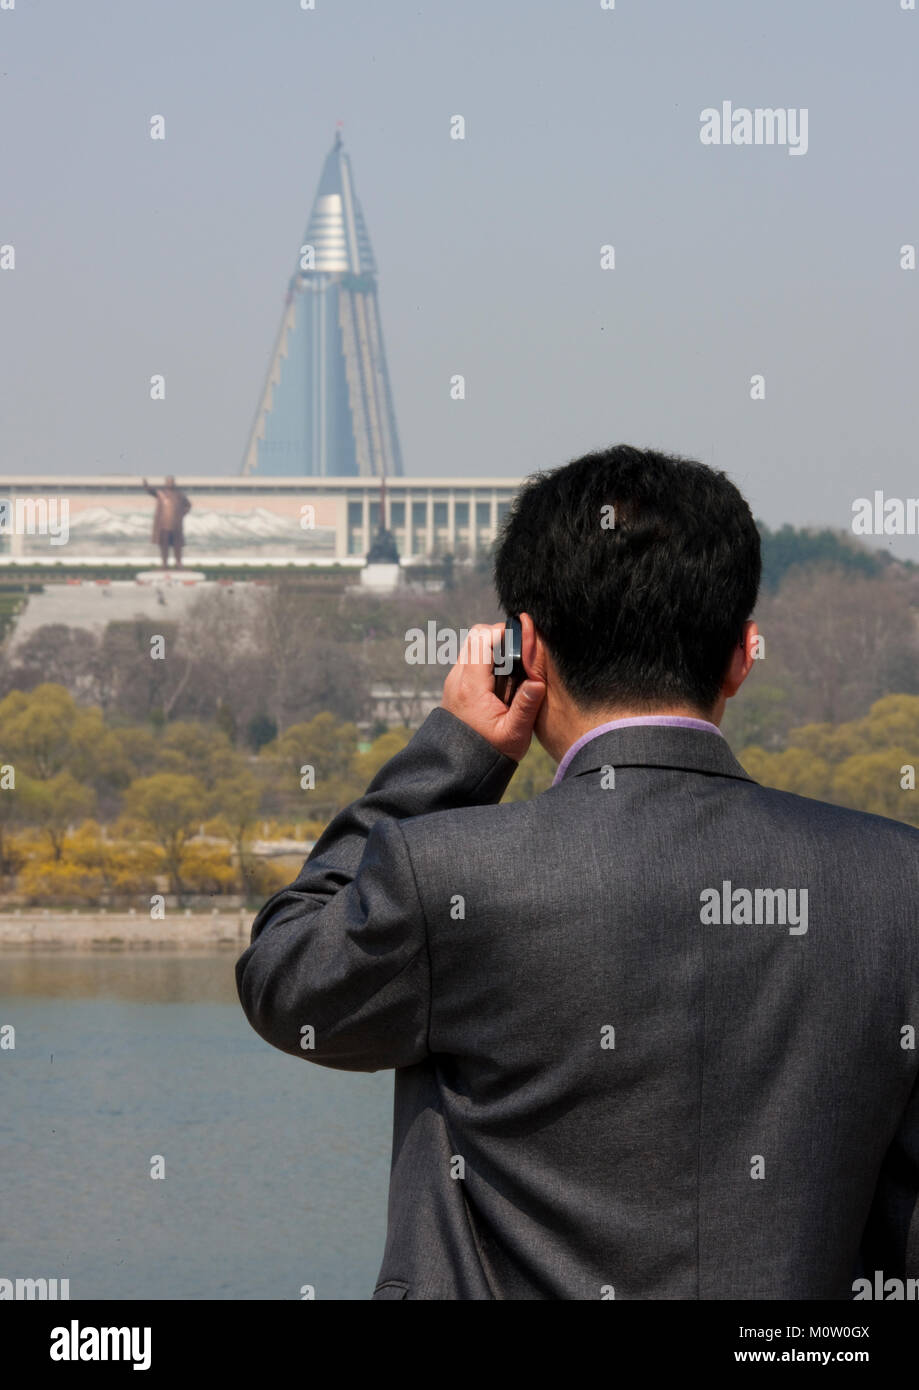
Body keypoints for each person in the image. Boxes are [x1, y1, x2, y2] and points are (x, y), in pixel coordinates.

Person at [236, 444, 919, 1300]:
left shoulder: (451, 876)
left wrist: (452, 756)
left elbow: (284, 980)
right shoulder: (896, 886)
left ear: (526, 651)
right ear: (743, 655)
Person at [141, 475, 191, 568]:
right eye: (168, 481)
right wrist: (146, 485)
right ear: (165, 483)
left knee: (177, 546)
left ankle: (178, 563)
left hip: (176, 525)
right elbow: (151, 491)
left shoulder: (179, 495)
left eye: (171, 481)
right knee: (164, 546)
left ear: (174, 483)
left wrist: (181, 514)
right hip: (164, 525)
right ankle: (164, 564)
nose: (169, 483)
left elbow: (188, 505)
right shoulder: (161, 493)